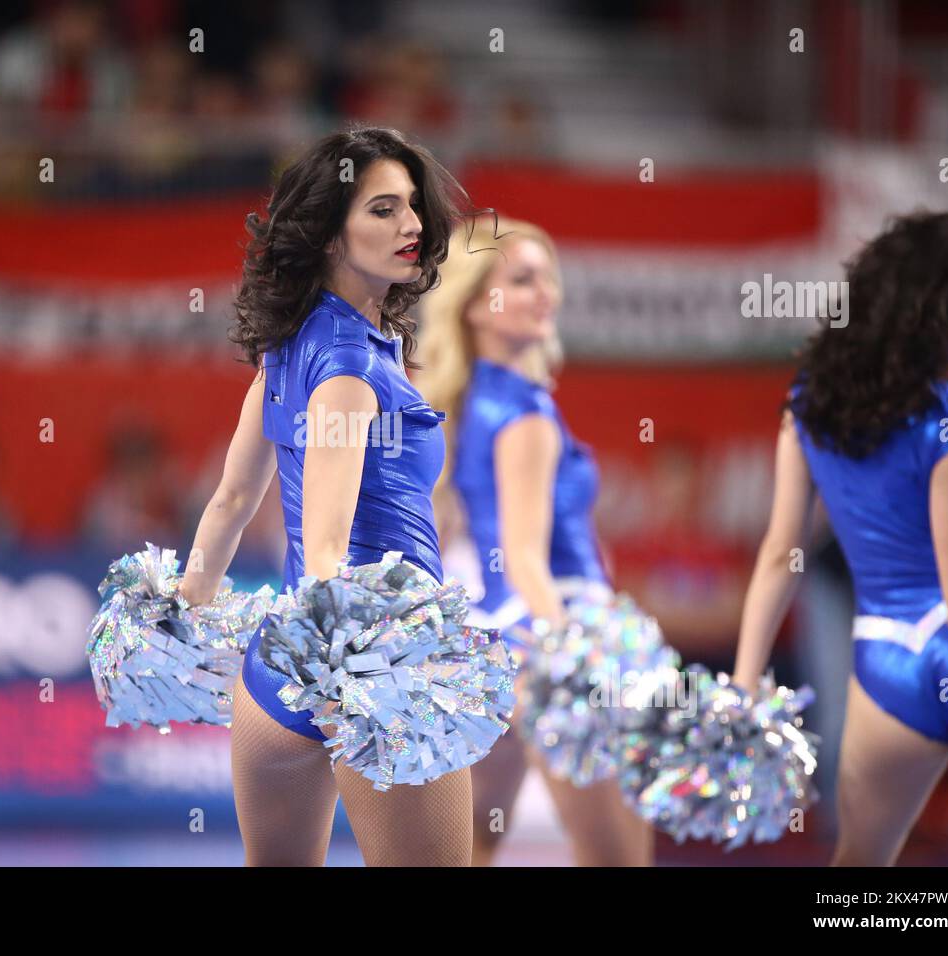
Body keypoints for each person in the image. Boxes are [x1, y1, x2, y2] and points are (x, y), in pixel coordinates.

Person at [177, 126, 484, 866]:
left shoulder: (290, 345)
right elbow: (325, 546)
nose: (411, 225)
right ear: (326, 235)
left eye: (411, 206)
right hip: (374, 672)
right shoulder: (349, 366)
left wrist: (183, 613)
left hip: (273, 680)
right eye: (382, 209)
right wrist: (360, 685)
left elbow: (229, 502)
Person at [734, 211, 948, 865]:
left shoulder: (808, 405)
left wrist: (743, 679)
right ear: (935, 305)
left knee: (857, 873)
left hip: (885, 666)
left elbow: (779, 553)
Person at [415, 215, 653, 866]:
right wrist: (577, 657)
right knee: (619, 860)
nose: (545, 291)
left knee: (475, 842)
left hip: (493, 644)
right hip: (555, 630)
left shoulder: (464, 403)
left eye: (548, 275)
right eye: (521, 279)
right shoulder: (524, 411)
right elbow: (524, 556)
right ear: (473, 305)